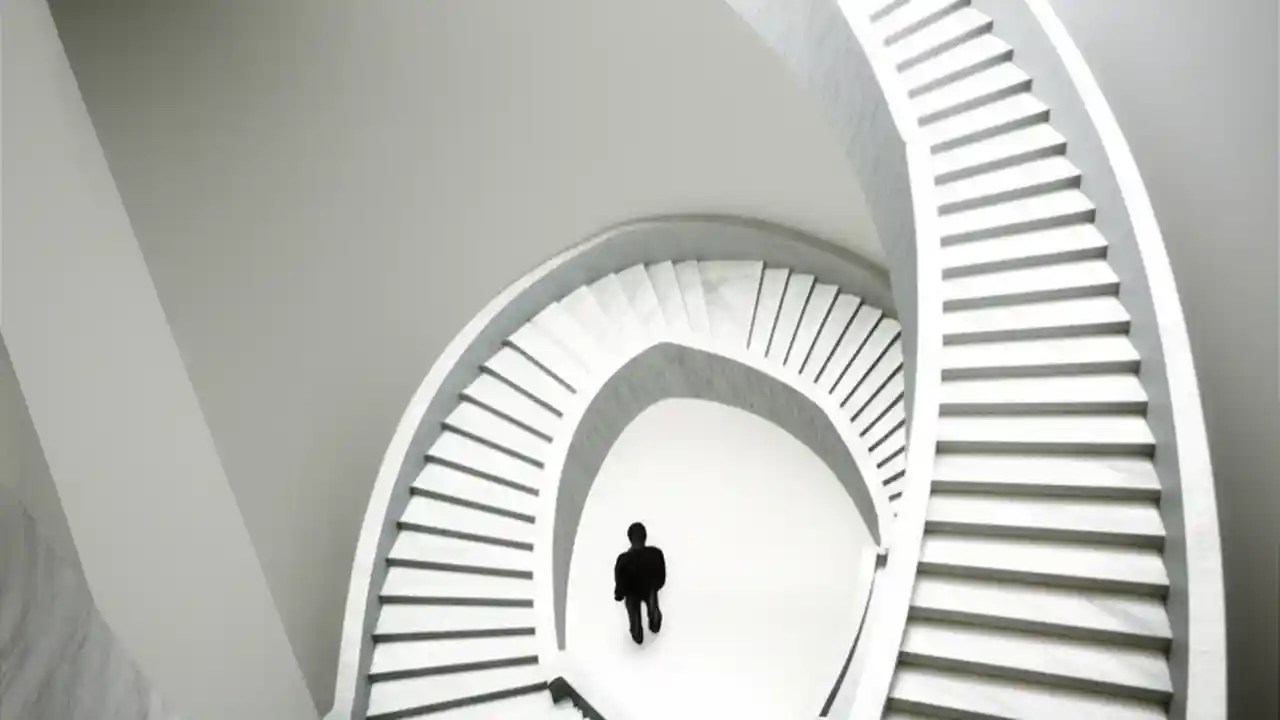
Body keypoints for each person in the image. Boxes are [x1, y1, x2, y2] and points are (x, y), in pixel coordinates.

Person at [614, 521, 665, 645]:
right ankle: (654, 619)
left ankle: (636, 632)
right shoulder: (655, 553)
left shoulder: (624, 559)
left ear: (630, 539)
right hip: (649, 587)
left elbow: (620, 580)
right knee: (652, 601)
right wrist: (656, 586)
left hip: (631, 592)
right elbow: (661, 575)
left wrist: (619, 594)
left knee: (633, 611)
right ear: (645, 537)